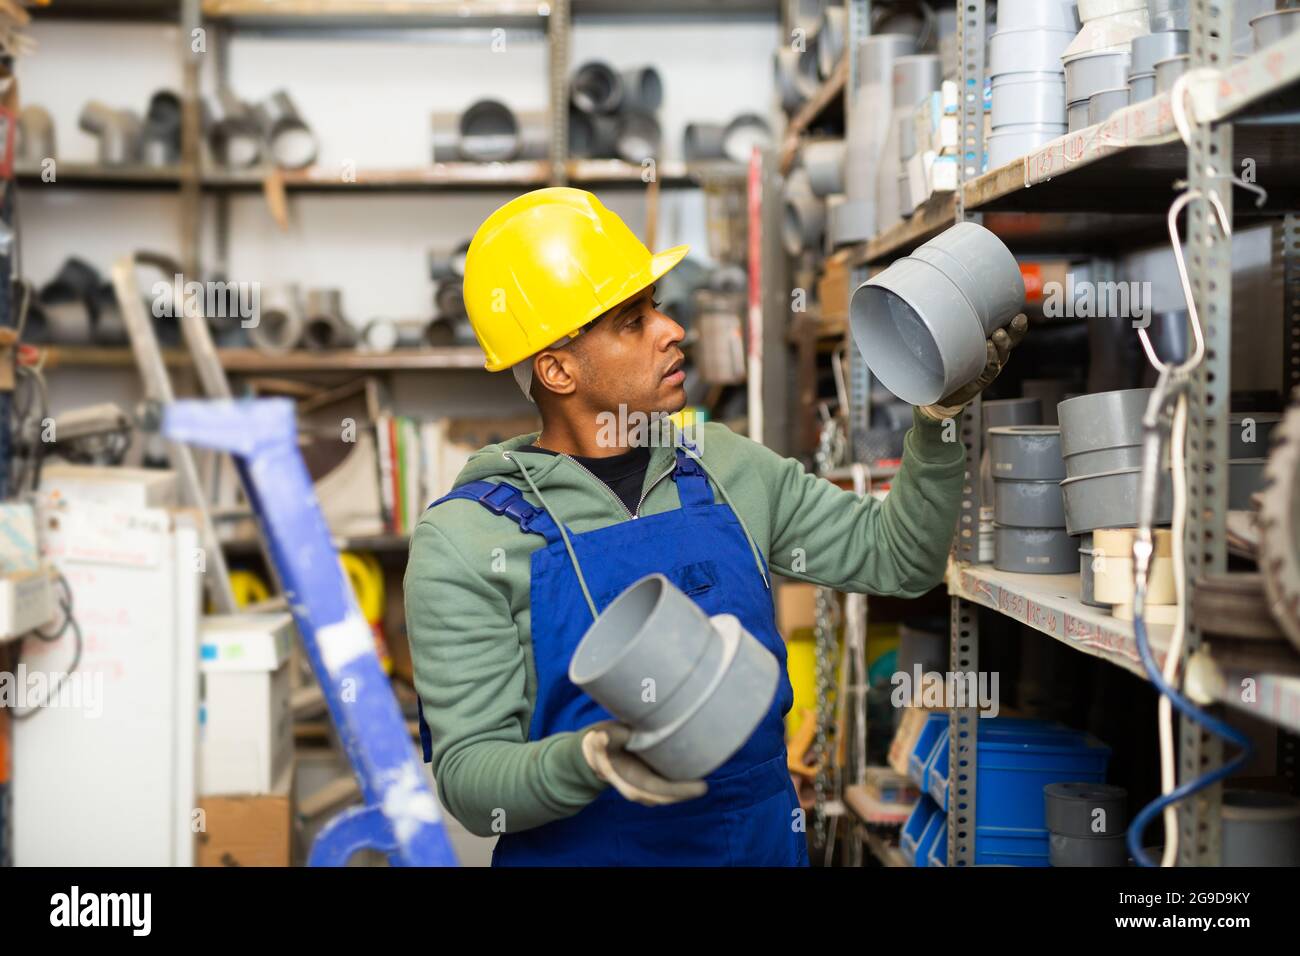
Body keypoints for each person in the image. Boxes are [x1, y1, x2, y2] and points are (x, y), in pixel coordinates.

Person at [404, 186, 1027, 866]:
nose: (673, 330)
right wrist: (589, 759)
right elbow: (470, 779)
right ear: (557, 368)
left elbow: (898, 559)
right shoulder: (468, 540)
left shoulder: (726, 467)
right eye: (631, 321)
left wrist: (936, 420)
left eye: (658, 307)